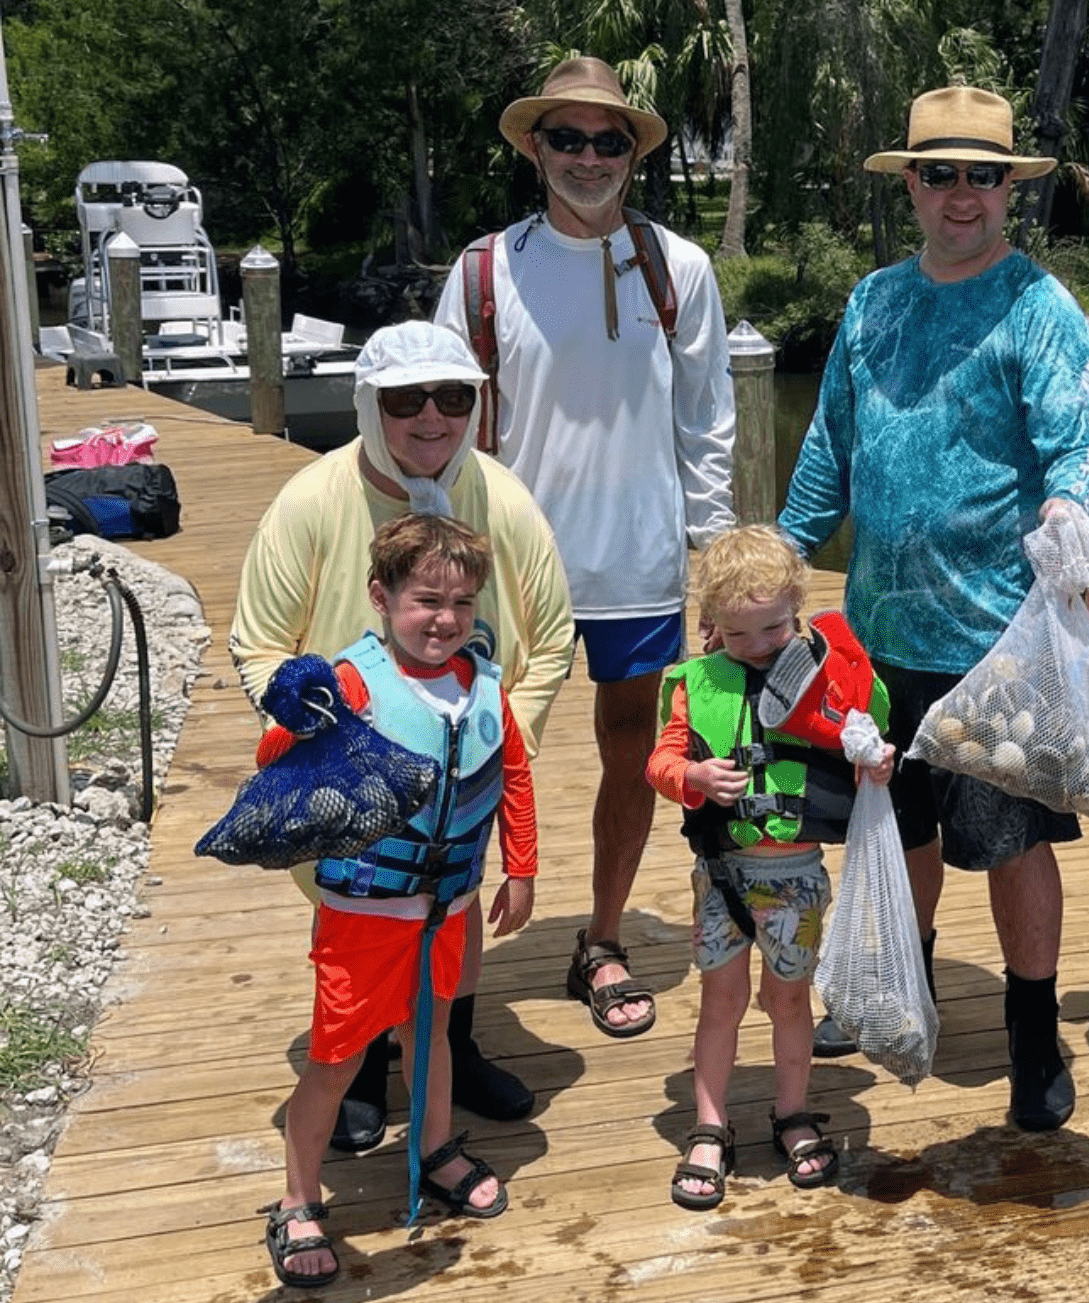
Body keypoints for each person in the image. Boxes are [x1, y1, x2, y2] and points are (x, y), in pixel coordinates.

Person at [778, 85, 1089, 1132]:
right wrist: (779, 559)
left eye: (984, 175)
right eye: (939, 174)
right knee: (895, 822)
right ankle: (901, 984)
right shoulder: (872, 301)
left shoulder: (1038, 305)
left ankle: (1032, 1032)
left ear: (1010, 189)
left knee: (1014, 844)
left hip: (998, 642)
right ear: (910, 186)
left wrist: (1070, 500)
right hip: (879, 638)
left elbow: (1080, 442)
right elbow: (829, 447)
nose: (961, 194)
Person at [434, 55, 736, 1042]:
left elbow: (708, 424)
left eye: (609, 141)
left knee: (633, 754)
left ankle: (602, 937)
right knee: (477, 756)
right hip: (511, 574)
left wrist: (716, 559)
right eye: (568, 137)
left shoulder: (679, 268)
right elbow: (434, 422)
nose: (589, 157)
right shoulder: (482, 271)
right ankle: (448, 971)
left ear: (632, 155)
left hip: (640, 566)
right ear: (535, 147)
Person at [230, 321, 573, 1150]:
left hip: (463, 762)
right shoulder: (310, 501)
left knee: (453, 907)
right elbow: (258, 641)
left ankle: (455, 1044)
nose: (431, 417)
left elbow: (554, 634)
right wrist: (313, 736)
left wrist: (498, 747)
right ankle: (358, 1068)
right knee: (352, 915)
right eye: (405, 399)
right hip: (353, 775)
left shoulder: (505, 497)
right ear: (367, 404)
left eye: (452, 397)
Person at [257, 514, 534, 1288]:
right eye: (426, 601)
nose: (445, 619)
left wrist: (521, 867)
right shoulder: (353, 682)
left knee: (432, 1034)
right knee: (337, 1057)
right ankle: (298, 1198)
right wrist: (296, 715)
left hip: (444, 909)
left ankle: (437, 1148)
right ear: (382, 597)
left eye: (462, 602)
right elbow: (274, 760)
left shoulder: (483, 686)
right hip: (363, 917)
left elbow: (512, 772)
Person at [645, 525, 894, 1210]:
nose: (756, 647)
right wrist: (693, 775)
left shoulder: (822, 675)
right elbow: (660, 762)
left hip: (797, 878)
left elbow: (864, 741)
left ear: (797, 608)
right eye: (737, 634)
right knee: (719, 1002)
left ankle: (792, 1111)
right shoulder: (694, 684)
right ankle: (709, 1125)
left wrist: (876, 761)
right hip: (724, 878)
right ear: (710, 623)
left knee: (789, 1001)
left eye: (773, 630)